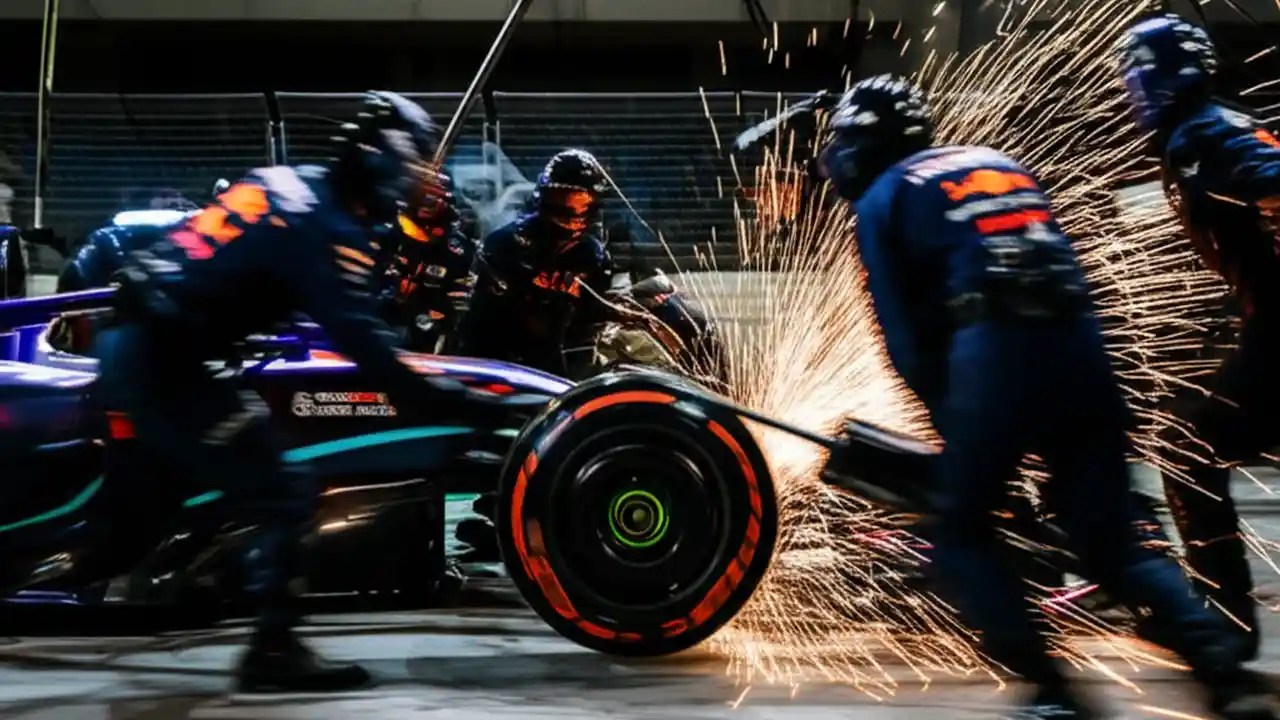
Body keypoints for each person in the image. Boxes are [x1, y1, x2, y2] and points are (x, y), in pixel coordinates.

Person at [816, 74, 1274, 719]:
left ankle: (1052, 693)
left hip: (996, 351)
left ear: (862, 144)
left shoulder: (883, 199)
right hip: (1082, 347)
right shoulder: (997, 162)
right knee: (1114, 540)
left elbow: (907, 344)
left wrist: (964, 450)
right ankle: (1224, 674)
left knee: (962, 531)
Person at [95, 91, 499, 693]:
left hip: (143, 338)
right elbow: (369, 352)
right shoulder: (329, 229)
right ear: (383, 160)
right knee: (286, 489)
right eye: (413, 165)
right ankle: (272, 651)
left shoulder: (285, 180)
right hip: (165, 362)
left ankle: (175, 578)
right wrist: (461, 406)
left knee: (215, 471)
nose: (417, 181)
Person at [1118, 12, 1280, 662]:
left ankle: (1225, 623)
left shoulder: (1201, 135)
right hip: (1265, 324)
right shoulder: (1226, 123)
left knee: (1188, 454)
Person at [453, 148, 615, 377]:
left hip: (563, 374)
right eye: (561, 200)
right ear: (543, 197)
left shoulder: (592, 256)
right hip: (501, 369)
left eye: (581, 202)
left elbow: (593, 325)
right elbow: (476, 325)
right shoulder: (504, 246)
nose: (569, 219)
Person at [58, 180, 230, 293]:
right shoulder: (124, 222)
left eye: (178, 195)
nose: (175, 200)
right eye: (164, 196)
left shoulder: (201, 223)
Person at [375, 168, 476, 352]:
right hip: (379, 323)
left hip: (428, 332)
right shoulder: (384, 234)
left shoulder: (459, 249)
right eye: (422, 194)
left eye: (434, 196)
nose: (427, 201)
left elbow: (461, 303)